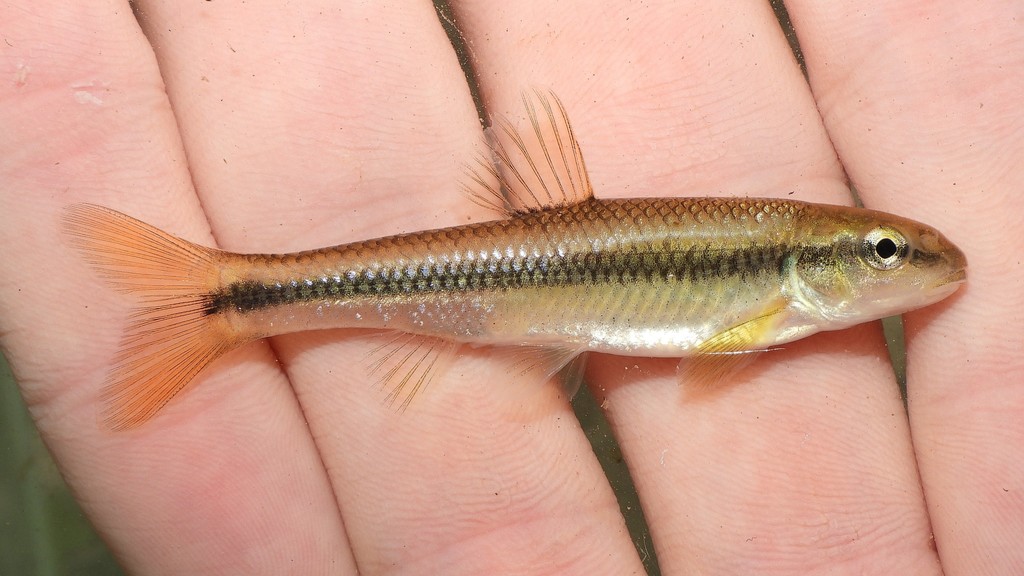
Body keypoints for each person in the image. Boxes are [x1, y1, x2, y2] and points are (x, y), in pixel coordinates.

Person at [0, 2, 1020, 574]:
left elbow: (720, 352)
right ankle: (234, 297)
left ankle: (239, 296)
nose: (905, 267)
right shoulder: (776, 283)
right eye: (884, 251)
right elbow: (721, 351)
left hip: (530, 278)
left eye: (889, 250)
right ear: (818, 261)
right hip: (524, 273)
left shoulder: (781, 285)